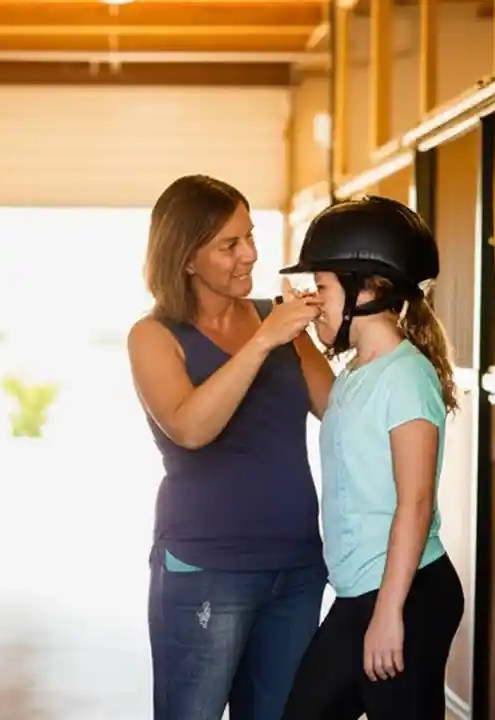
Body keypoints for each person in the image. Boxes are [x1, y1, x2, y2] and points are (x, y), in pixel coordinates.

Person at [128, 174, 336, 720]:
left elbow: (336, 412)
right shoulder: (153, 336)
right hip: (206, 566)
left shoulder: (279, 321)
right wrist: (266, 341)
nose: (250, 254)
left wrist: (343, 327)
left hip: (295, 567)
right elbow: (191, 428)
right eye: (230, 244)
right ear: (187, 257)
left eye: (250, 236)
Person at [278, 195, 465, 720]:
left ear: (368, 290)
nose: (315, 304)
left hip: (404, 594)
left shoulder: (406, 377)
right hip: (364, 593)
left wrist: (388, 614)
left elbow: (416, 502)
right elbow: (330, 404)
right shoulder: (360, 374)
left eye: (322, 289)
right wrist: (290, 330)